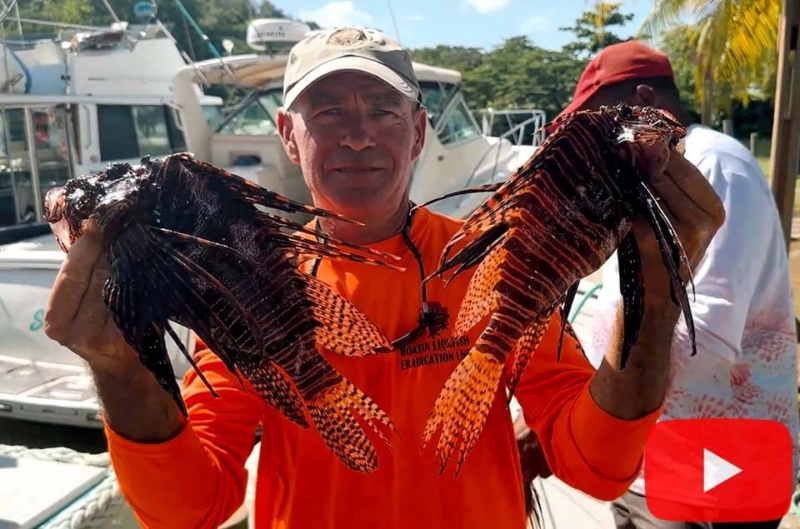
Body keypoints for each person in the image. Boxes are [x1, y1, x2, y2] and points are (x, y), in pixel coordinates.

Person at [42, 27, 724, 529]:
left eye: (383, 109)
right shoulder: (247, 286)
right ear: (288, 134)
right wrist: (119, 368)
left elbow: (594, 466)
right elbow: (189, 505)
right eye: (328, 110)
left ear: (420, 130)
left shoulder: (496, 265)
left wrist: (654, 305)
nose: (358, 134)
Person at [562, 40, 798, 529]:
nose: (590, 140)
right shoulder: (645, 176)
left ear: (644, 103)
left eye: (596, 120)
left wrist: (583, 394)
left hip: (715, 464)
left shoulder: (713, 168)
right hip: (647, 450)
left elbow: (705, 339)